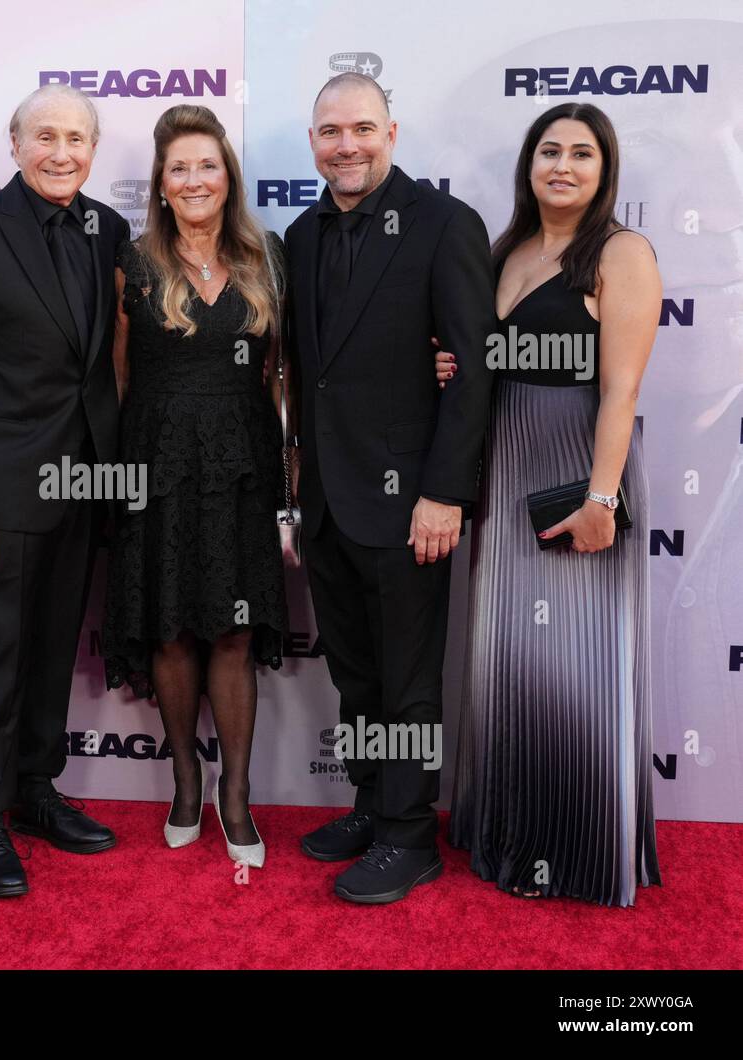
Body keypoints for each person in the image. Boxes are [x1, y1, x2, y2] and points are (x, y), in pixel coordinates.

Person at [436, 103, 662, 906]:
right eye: (549, 151)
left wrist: (602, 496)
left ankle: (576, 847)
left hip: (575, 467)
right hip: (505, 463)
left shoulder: (622, 253)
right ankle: (509, 831)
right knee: (510, 660)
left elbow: (622, 390)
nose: (562, 166)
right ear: (528, 165)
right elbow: (490, 357)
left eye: (581, 154)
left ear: (604, 172)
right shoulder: (510, 250)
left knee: (577, 663)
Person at [284, 73, 495, 904]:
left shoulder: (446, 224)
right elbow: (310, 375)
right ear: (312, 142)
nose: (347, 144)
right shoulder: (299, 235)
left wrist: (445, 493)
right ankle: (374, 806)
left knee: (408, 681)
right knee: (358, 676)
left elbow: (474, 370)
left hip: (412, 503)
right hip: (330, 503)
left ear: (392, 132)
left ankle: (412, 835)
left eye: (362, 128)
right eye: (331, 131)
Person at [0, 84, 130, 898]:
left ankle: (36, 791)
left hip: (83, 485)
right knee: (0, 659)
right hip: (1, 491)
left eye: (77, 139)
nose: (62, 153)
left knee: (50, 653)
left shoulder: (107, 230)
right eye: (46, 136)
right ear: (14, 144)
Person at [101, 105, 287, 867]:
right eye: (179, 167)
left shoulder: (267, 256)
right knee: (172, 629)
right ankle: (185, 779)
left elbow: (284, 375)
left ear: (227, 175)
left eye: (207, 164)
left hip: (243, 465)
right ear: (161, 182)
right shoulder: (134, 260)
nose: (194, 178)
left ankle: (235, 795)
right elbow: (116, 378)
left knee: (236, 632)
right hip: (158, 465)